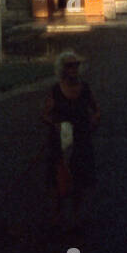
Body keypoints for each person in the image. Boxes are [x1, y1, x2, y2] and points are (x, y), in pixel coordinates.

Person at [42, 50, 100, 233]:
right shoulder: (55, 90)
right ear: (62, 69)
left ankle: (75, 218)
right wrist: (56, 125)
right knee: (59, 180)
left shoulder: (85, 88)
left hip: (81, 140)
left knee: (80, 180)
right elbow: (45, 114)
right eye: (69, 65)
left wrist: (94, 121)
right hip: (60, 142)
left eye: (76, 65)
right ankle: (56, 218)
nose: (74, 68)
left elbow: (97, 110)